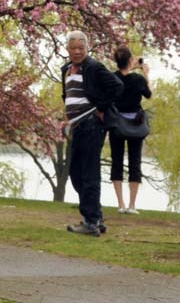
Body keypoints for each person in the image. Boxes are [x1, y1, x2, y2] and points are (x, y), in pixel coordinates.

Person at [61, 30, 124, 236]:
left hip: (91, 125)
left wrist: (101, 108)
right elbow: (69, 96)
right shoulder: (67, 69)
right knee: (75, 173)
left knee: (89, 174)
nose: (78, 51)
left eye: (81, 48)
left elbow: (117, 86)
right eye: (74, 48)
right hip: (77, 126)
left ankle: (91, 222)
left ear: (87, 48)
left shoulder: (94, 67)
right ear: (68, 49)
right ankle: (96, 216)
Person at [109, 45, 152, 215]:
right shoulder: (138, 79)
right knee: (135, 162)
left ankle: (121, 204)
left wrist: (129, 65)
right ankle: (132, 205)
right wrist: (145, 73)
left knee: (116, 161)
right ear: (129, 60)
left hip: (116, 123)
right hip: (135, 123)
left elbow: (119, 77)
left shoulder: (112, 78)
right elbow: (149, 94)